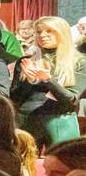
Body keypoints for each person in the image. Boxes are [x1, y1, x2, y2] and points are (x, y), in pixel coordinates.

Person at [10, 16, 86, 148]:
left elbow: (72, 100)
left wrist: (48, 80)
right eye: (39, 32)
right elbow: (15, 97)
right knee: (20, 166)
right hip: (26, 120)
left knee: (64, 165)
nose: (42, 35)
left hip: (60, 120)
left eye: (49, 31)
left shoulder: (78, 61)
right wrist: (29, 80)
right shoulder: (27, 60)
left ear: (62, 32)